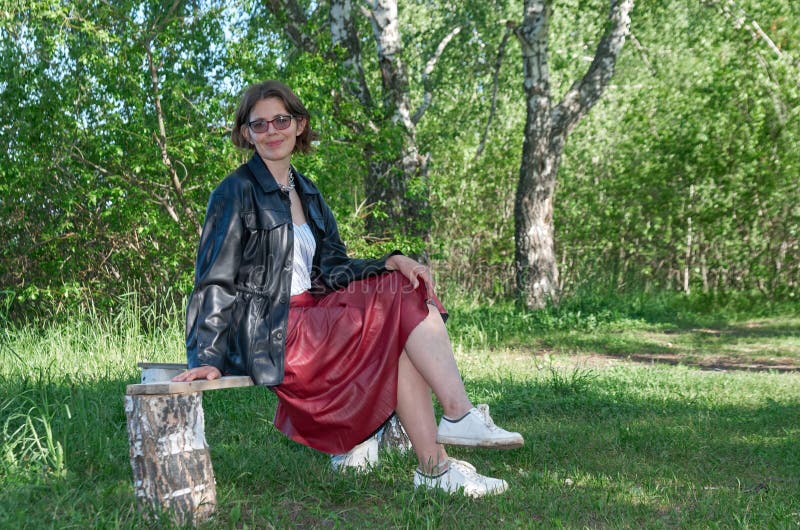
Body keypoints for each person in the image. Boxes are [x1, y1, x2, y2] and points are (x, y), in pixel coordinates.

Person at [172, 80, 523, 497]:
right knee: (398, 304)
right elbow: (214, 278)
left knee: (400, 294)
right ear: (246, 133)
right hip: (272, 330)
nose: (272, 131)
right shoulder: (234, 192)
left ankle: (436, 468)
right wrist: (207, 355)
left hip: (313, 314)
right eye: (260, 124)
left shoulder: (309, 194)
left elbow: (335, 268)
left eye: (281, 120)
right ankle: (457, 418)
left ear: (299, 125)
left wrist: (389, 260)